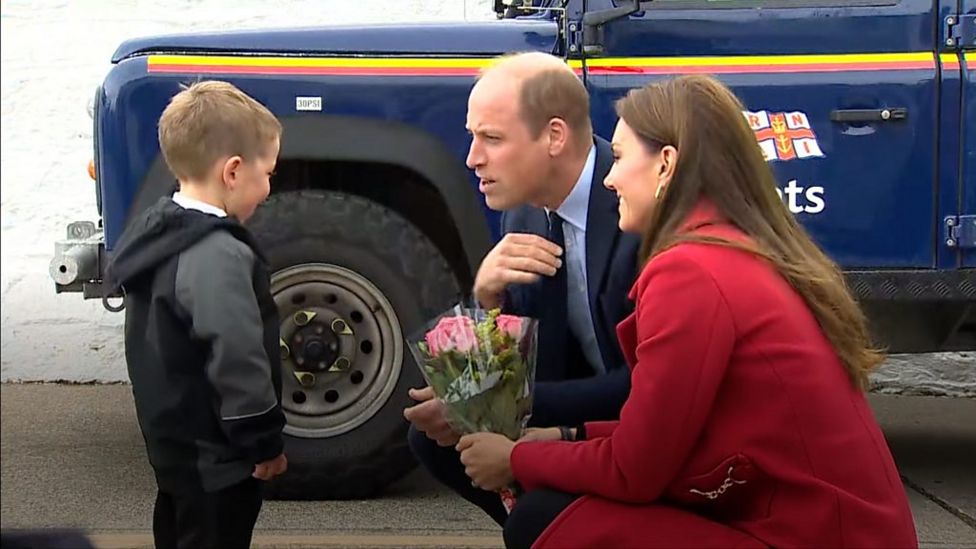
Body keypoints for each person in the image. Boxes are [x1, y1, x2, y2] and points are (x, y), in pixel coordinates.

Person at [457, 74, 918, 548]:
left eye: (617, 158)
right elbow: (666, 430)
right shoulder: (732, 248)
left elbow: (635, 470)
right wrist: (566, 436)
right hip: (828, 525)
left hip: (810, 534)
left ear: (666, 165)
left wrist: (517, 459)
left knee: (544, 518)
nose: (609, 178)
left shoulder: (689, 272)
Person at [404, 51, 640, 525]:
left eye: (491, 138)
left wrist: (491, 405)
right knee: (433, 440)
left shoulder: (634, 205)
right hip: (585, 414)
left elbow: (650, 383)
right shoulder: (526, 210)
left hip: (646, 428)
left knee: (534, 512)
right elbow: (534, 358)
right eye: (474, 137)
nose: (473, 158)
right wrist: (485, 297)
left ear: (554, 136)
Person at [105, 81, 288, 549]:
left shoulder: (157, 233)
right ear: (232, 171)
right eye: (267, 173)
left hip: (177, 454)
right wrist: (262, 442)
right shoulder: (216, 253)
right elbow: (236, 355)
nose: (268, 189)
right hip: (220, 462)